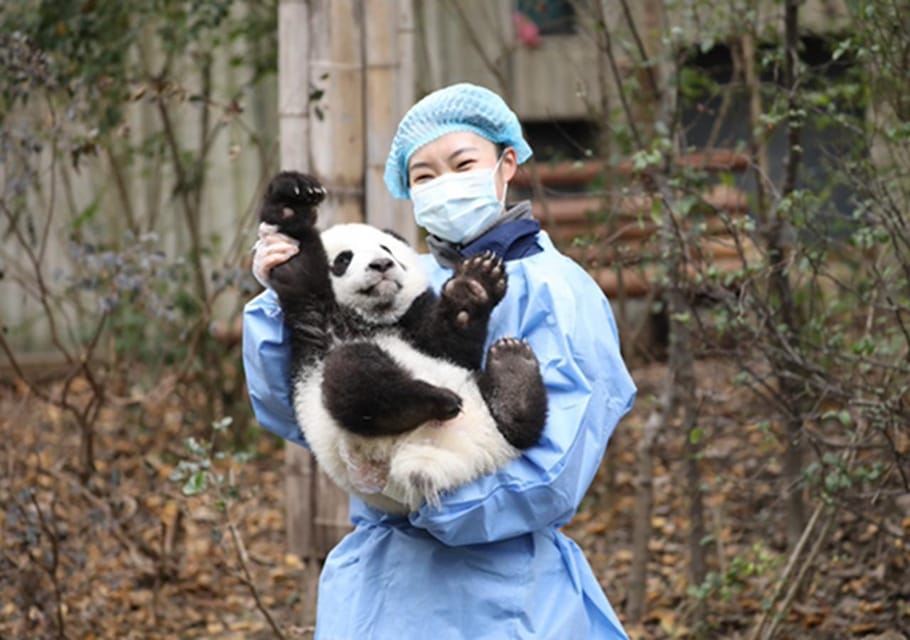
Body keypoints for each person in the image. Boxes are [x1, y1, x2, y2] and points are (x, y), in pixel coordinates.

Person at [243, 82, 636, 639]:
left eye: (462, 163)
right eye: (424, 176)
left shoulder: (558, 290)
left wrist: (423, 499)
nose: (444, 184)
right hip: (381, 590)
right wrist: (280, 294)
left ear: (505, 164)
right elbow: (294, 408)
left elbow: (554, 471)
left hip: (502, 592)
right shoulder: (402, 275)